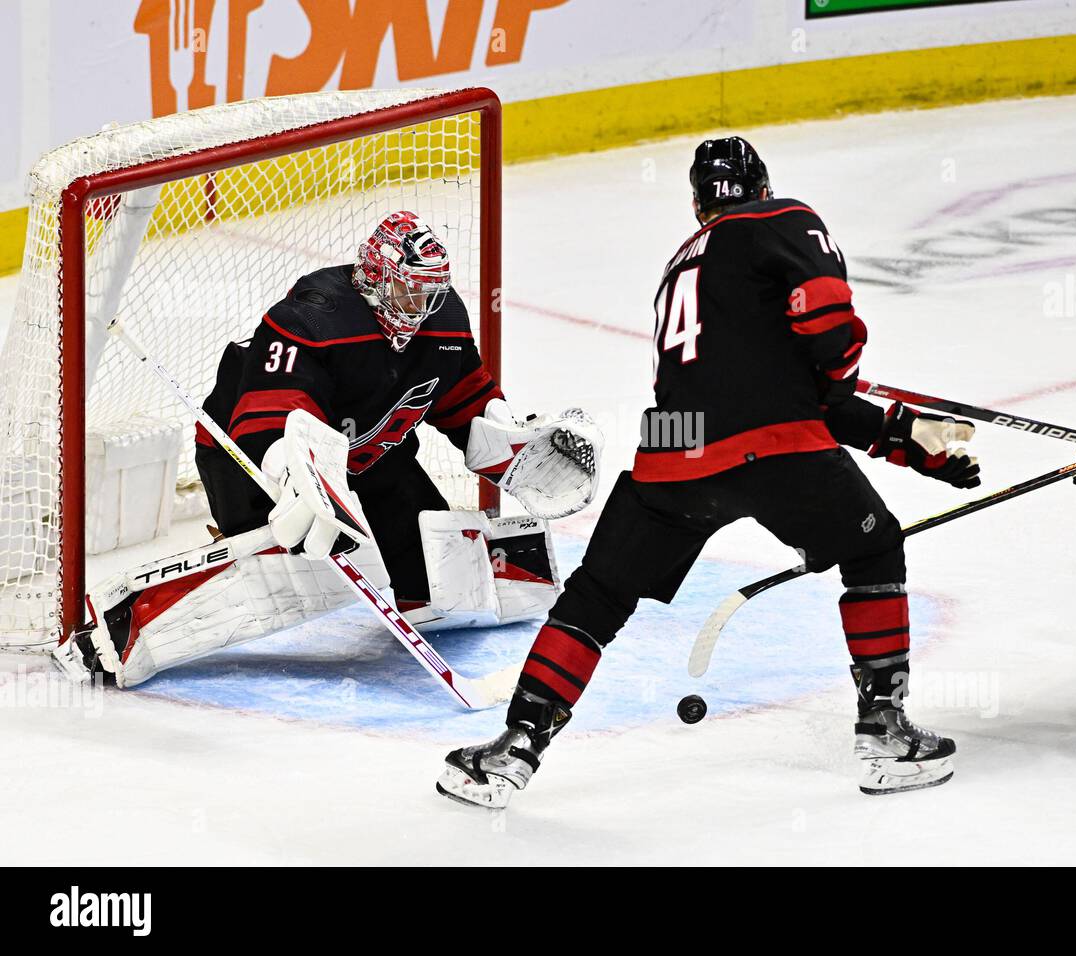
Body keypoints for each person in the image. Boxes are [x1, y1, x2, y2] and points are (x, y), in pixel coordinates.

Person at [438, 137, 980, 808]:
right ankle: (886, 736)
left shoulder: (678, 267)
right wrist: (855, 388)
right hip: (771, 448)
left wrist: (898, 435)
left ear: (698, 205)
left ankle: (512, 750)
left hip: (671, 448)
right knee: (872, 547)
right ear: (762, 186)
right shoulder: (783, 218)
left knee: (599, 594)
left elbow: (744, 395)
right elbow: (826, 336)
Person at [68, 211, 600, 688]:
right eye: (412, 291)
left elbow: (463, 396)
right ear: (375, 278)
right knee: (281, 567)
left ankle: (445, 575)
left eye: (431, 291)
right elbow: (269, 414)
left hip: (373, 452)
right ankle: (118, 629)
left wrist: (507, 438)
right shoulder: (311, 319)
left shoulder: (443, 320)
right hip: (251, 455)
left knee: (440, 577)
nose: (424, 305)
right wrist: (295, 475)